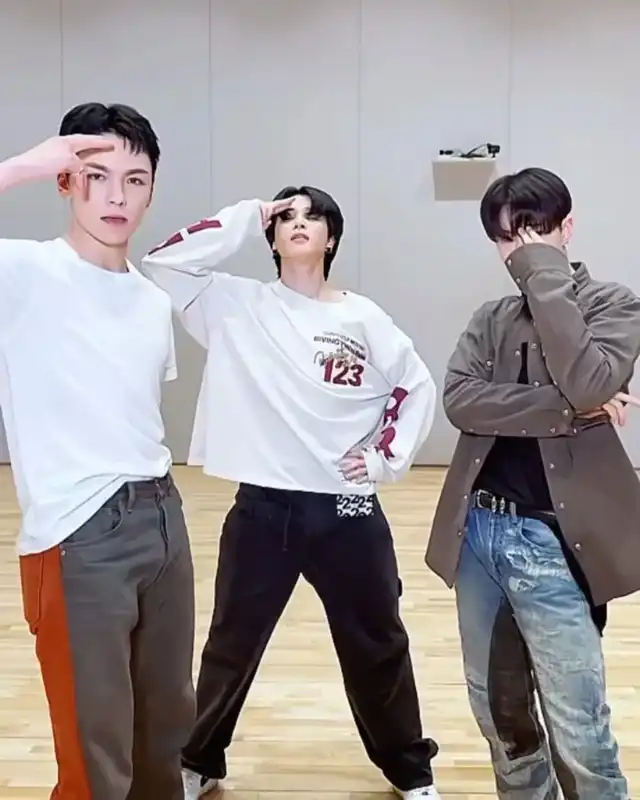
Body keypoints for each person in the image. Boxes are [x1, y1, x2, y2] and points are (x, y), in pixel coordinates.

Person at [139, 185, 442, 799]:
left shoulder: (362, 317)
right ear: (272, 238)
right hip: (263, 510)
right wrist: (246, 217)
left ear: (331, 239)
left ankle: (412, 773)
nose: (299, 223)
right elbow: (163, 262)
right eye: (286, 216)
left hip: (347, 511)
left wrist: (383, 458)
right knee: (231, 644)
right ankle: (199, 762)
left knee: (377, 643)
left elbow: (414, 386)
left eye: (313, 216)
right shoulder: (233, 304)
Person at [0, 103, 195, 800]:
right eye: (95, 176)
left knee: (165, 739)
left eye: (134, 180)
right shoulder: (22, 270)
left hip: (163, 517)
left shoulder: (149, 300)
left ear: (151, 190)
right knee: (95, 757)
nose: (117, 196)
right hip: (78, 533)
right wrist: (23, 166)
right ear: (64, 181)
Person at [426, 166, 640, 799]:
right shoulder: (490, 317)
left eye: (534, 231)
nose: (519, 249)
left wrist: (545, 275)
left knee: (579, 726)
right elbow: (461, 401)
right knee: (501, 716)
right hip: (480, 533)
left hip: (555, 543)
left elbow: (588, 379)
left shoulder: (613, 305)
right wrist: (569, 411)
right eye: (506, 238)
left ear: (567, 228)